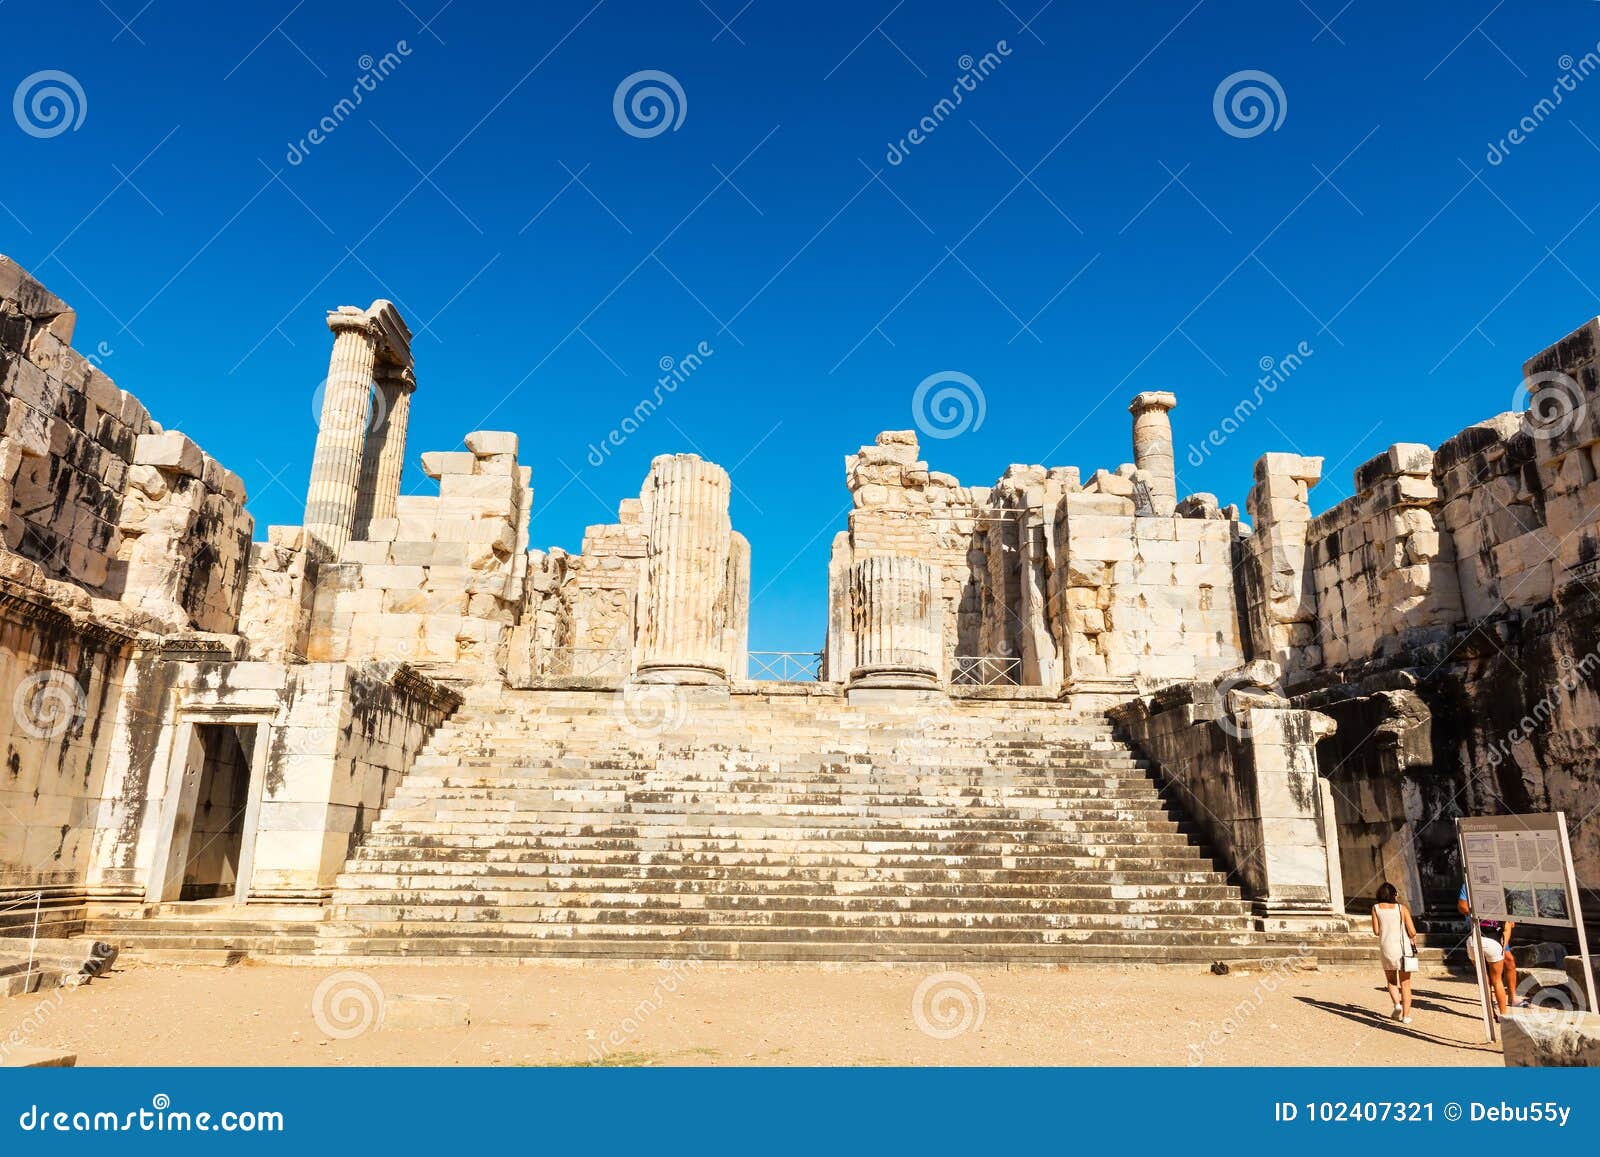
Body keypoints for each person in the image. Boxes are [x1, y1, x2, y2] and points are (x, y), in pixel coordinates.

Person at [1458, 883, 1528, 1015]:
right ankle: (1493, 1007)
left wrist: (1503, 944)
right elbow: (1462, 905)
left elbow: (1509, 923)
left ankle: (1512, 997)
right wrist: (1479, 916)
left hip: (1496, 932)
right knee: (1489, 975)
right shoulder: (1468, 884)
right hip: (1481, 930)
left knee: (1509, 961)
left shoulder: (1500, 885)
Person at [1372, 882, 1419, 1024]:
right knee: (1405, 983)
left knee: (1391, 981)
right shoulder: (1401, 908)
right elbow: (1412, 931)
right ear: (1395, 895)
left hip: (1386, 948)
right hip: (1403, 949)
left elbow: (1376, 931)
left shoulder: (1375, 908)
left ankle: (1397, 1004)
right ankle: (1406, 1016)